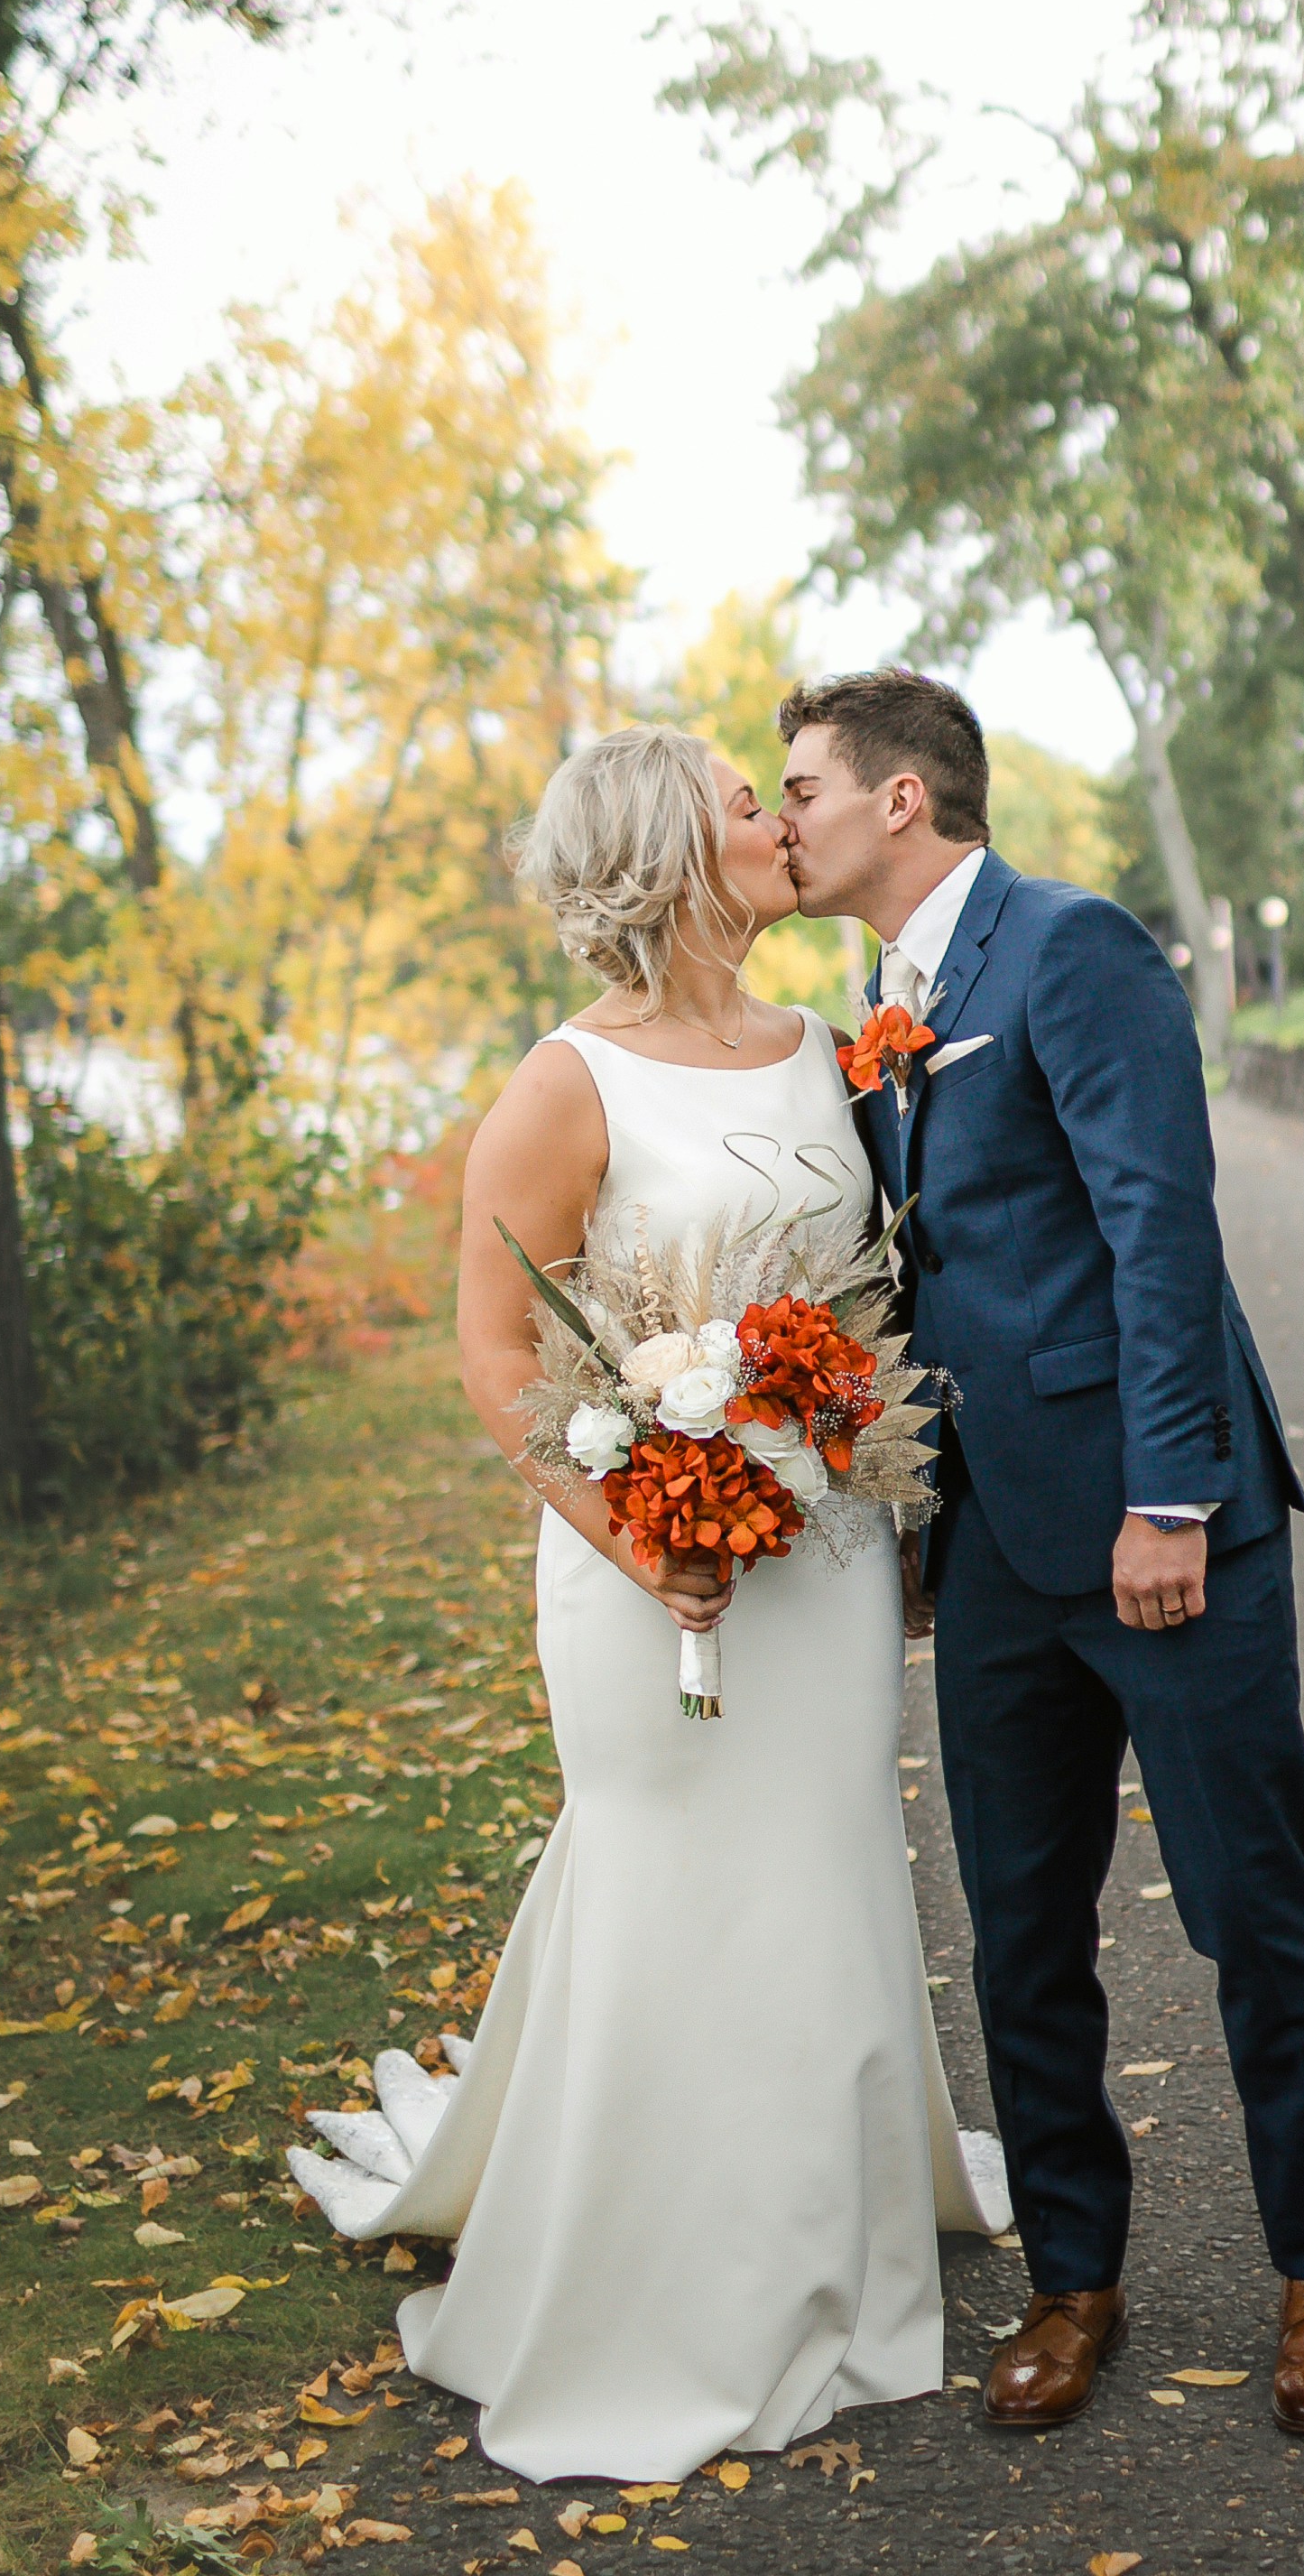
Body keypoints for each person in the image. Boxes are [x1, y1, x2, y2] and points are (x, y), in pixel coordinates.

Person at [286, 723, 1006, 2482]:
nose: (778, 823)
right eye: (745, 806)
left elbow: (861, 1293)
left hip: (823, 1553)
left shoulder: (827, 1053)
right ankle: (656, 2286)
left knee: (822, 1860)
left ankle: (826, 2245)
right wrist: (634, 1528)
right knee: (672, 1872)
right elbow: (495, 1345)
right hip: (642, 1559)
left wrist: (878, 1478)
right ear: (671, 857)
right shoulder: (563, 1083)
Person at [778, 669, 1304, 2438]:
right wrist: (901, 1511)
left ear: (903, 799)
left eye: (800, 781)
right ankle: (1073, 2274)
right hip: (985, 1551)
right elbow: (917, 1270)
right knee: (1020, 1932)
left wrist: (1170, 1496)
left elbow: (1153, 1215)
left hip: (1158, 1526)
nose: (780, 810)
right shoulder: (875, 1004)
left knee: (1250, 1910)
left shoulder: (1071, 946)